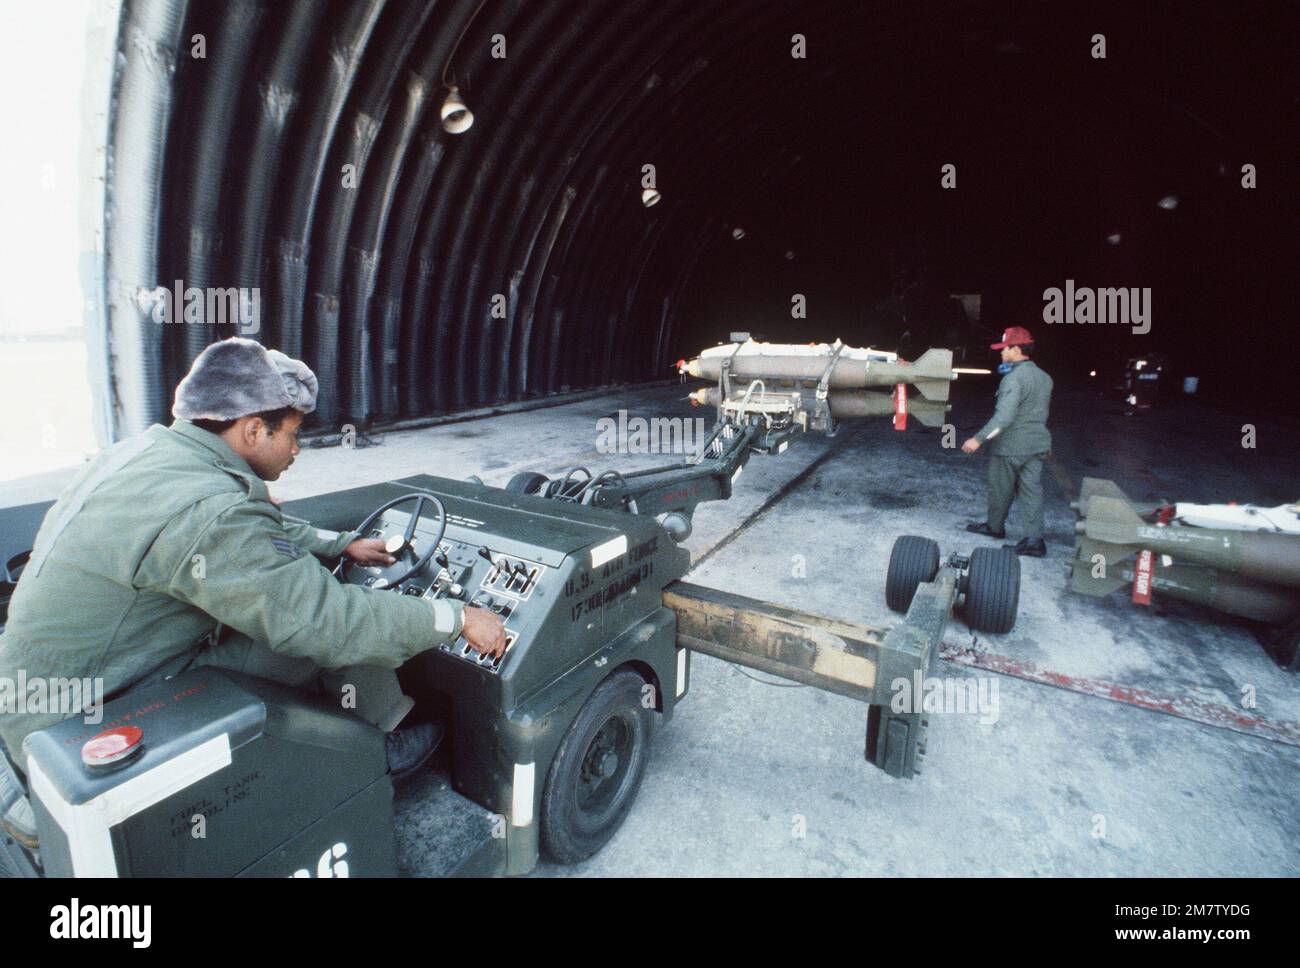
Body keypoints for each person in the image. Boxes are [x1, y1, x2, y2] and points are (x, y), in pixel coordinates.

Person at [0, 338, 505, 801]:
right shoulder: (211, 511)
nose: (296, 449)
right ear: (253, 430)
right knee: (325, 627)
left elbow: (246, 536)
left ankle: (382, 728)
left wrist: (340, 544)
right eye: (292, 433)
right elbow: (328, 623)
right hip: (93, 715)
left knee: (311, 599)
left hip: (42, 697)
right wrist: (455, 619)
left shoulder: (151, 454)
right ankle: (379, 753)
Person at [961, 326, 1053, 557]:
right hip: (1037, 445)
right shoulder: (1044, 377)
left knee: (1000, 488)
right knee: (1032, 491)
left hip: (1011, 446)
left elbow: (1004, 418)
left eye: (1004, 349)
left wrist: (978, 439)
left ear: (1016, 349)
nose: (1001, 353)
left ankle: (994, 527)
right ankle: (1034, 540)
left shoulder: (1013, 379)